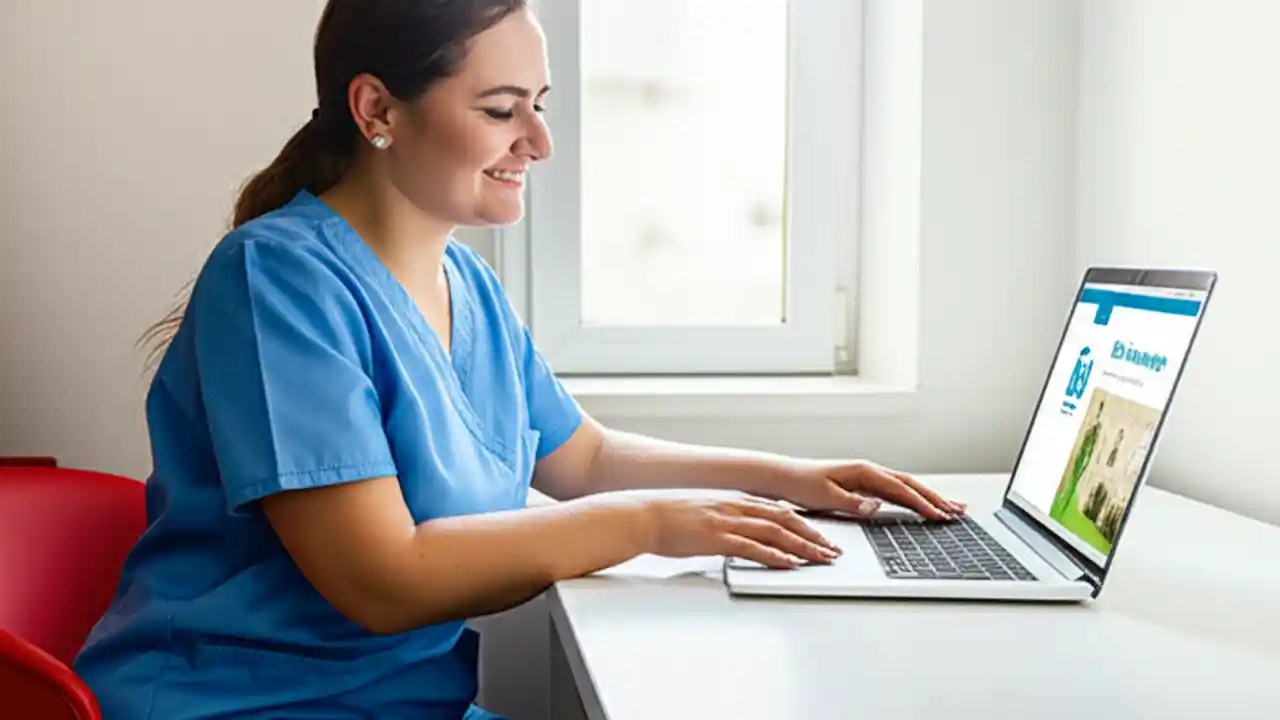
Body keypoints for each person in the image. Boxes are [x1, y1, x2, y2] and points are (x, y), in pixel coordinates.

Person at [74, 1, 964, 717]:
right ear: (377, 109)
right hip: (240, 705)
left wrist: (791, 478)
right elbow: (380, 580)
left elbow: (582, 457)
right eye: (502, 111)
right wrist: (650, 525)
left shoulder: (466, 283)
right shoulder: (277, 278)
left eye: (539, 107)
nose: (537, 143)